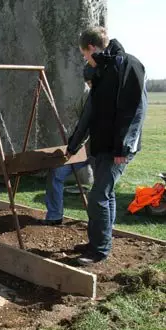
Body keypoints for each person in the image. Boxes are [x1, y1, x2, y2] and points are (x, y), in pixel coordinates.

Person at [67, 26, 147, 265]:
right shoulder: (100, 71)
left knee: (98, 196)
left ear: (91, 48)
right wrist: (73, 144)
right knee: (106, 194)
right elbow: (90, 113)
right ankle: (99, 240)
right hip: (101, 145)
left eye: (84, 55)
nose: (85, 59)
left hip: (118, 148)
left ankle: (99, 250)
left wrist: (124, 147)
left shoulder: (129, 65)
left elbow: (136, 110)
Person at [39, 63, 96, 226]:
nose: (89, 85)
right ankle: (55, 216)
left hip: (103, 150)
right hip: (84, 147)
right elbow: (83, 123)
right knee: (57, 172)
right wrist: (73, 147)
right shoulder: (87, 95)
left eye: (91, 82)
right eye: (88, 83)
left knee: (101, 189)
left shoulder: (109, 95)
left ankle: (100, 226)